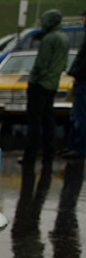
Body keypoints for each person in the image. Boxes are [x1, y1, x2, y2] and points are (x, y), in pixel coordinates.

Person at [22, 9, 70, 166]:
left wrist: (34, 78)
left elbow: (42, 62)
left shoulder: (49, 39)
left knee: (34, 120)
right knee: (49, 118)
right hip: (52, 83)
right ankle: (49, 152)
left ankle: (30, 154)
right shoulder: (64, 38)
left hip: (40, 84)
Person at [61, 10, 86, 159]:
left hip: (82, 82)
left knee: (80, 116)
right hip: (80, 80)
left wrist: (76, 73)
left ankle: (79, 148)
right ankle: (73, 146)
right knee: (76, 115)